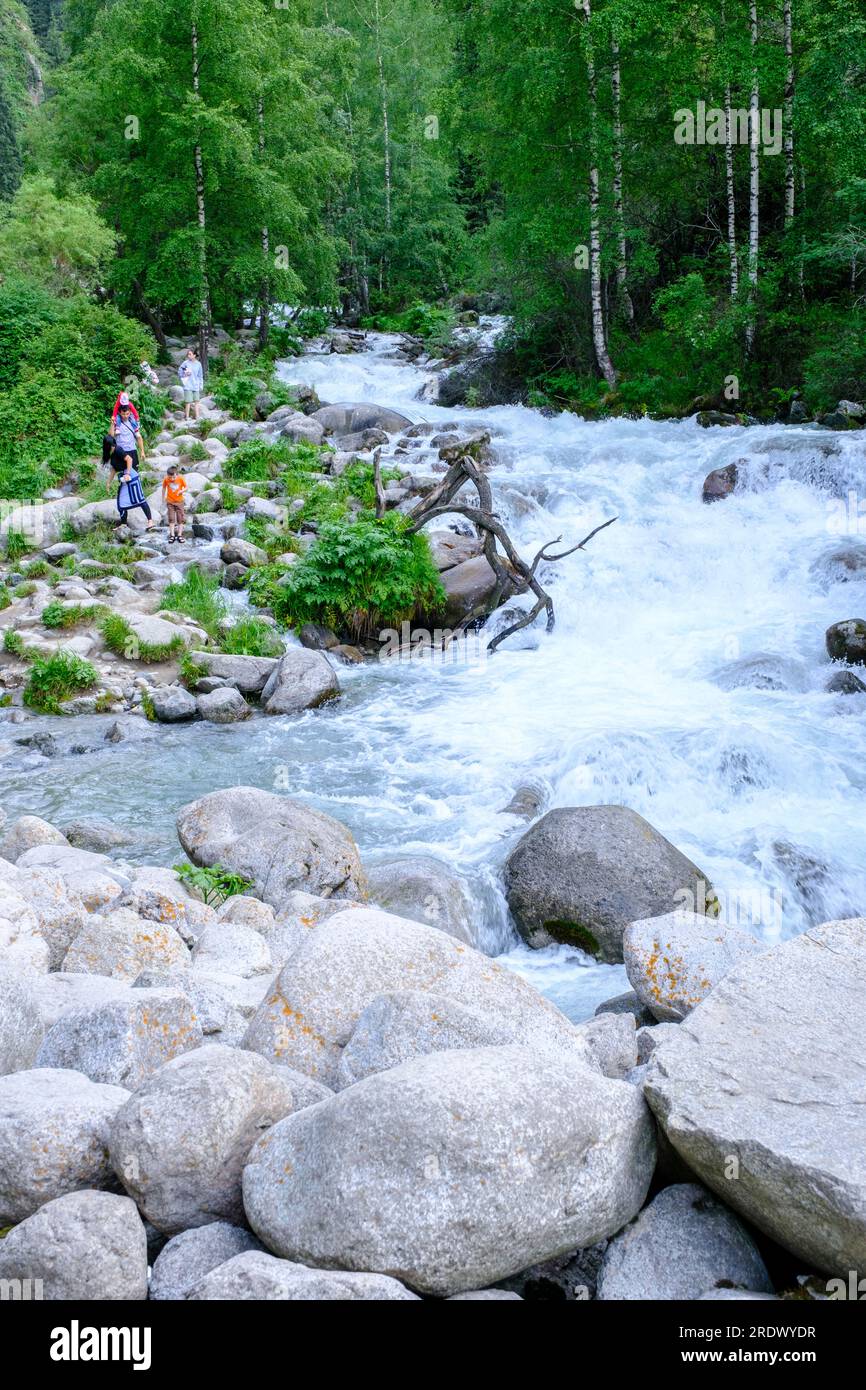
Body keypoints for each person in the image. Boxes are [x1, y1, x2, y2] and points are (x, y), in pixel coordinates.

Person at [111, 450, 154, 530]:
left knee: (140, 499)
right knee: (121, 504)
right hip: (124, 479)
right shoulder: (111, 454)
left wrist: (127, 473)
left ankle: (150, 521)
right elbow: (113, 468)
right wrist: (108, 482)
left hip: (132, 476)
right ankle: (123, 524)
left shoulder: (119, 450)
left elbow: (129, 459)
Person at [102, 391, 140, 466]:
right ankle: (118, 428)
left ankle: (136, 428)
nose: (125, 416)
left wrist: (137, 418)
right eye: (123, 414)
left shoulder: (130, 405)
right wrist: (113, 419)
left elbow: (135, 412)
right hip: (121, 449)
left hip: (131, 449)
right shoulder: (118, 405)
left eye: (127, 414)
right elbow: (115, 410)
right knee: (118, 419)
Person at [162, 465, 188, 544]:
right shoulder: (166, 479)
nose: (172, 479)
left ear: (177, 474)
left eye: (173, 477)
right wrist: (163, 498)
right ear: (167, 475)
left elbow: (186, 487)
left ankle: (180, 535)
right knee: (171, 518)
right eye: (170, 477)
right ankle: (172, 535)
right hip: (170, 502)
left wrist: (181, 491)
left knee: (180, 519)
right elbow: (163, 488)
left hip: (179, 502)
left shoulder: (180, 479)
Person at [178, 348, 203, 421]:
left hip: (196, 385)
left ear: (194, 355)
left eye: (190, 354)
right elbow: (179, 372)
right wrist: (185, 373)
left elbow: (200, 375)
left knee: (197, 401)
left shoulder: (198, 364)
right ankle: (187, 417)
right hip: (188, 385)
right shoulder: (185, 363)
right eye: (188, 354)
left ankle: (197, 417)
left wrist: (201, 385)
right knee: (188, 402)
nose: (188, 356)